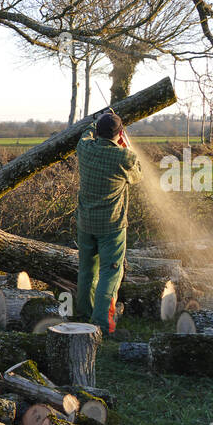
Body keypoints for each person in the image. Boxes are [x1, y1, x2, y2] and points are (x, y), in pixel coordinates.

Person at [75, 111, 141, 335]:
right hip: (112, 226)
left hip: (85, 223)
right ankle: (102, 325)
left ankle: (83, 314)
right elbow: (137, 176)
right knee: (110, 274)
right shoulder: (125, 157)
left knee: (86, 271)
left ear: (98, 132)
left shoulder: (85, 149)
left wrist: (95, 122)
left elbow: (85, 133)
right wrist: (126, 145)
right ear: (120, 133)